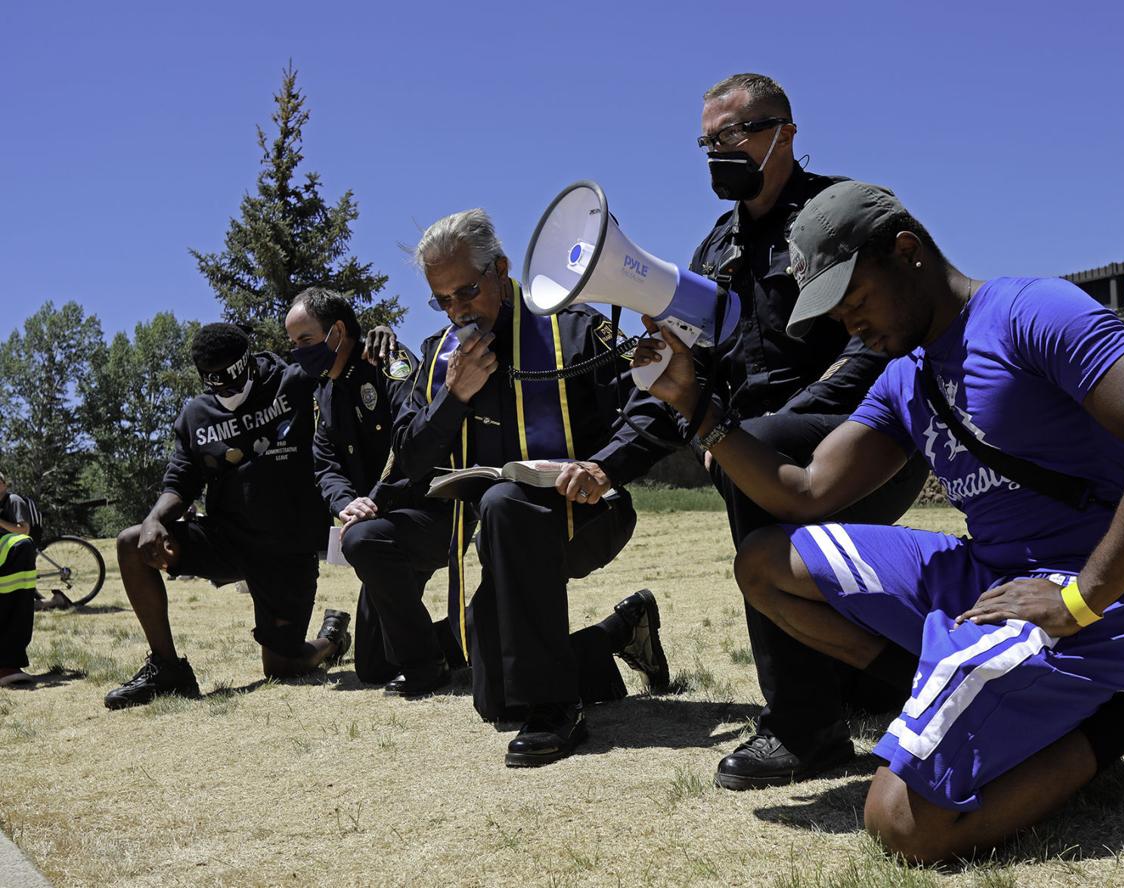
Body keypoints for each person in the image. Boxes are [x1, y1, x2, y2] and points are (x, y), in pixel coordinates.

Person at [635, 180, 1124, 861]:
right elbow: (803, 493)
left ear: (906, 251)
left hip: (1093, 605)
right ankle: (945, 699)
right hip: (985, 579)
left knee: (903, 827)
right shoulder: (906, 376)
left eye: (854, 298)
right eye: (834, 312)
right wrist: (695, 407)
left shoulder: (1029, 312)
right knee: (764, 563)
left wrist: (1082, 596)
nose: (848, 325)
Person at [589, 73, 929, 790]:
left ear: (785, 132)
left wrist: (767, 431)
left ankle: (804, 728)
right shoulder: (716, 249)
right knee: (755, 451)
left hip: (868, 441)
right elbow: (687, 380)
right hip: (768, 446)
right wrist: (606, 466)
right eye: (707, 141)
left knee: (758, 448)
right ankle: (871, 675)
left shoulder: (840, 214)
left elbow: (876, 341)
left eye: (732, 136)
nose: (718, 152)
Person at [340, 208, 668, 767]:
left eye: (466, 291)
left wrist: (603, 467)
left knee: (505, 505)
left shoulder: (575, 328)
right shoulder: (438, 356)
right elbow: (411, 459)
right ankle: (620, 631)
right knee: (495, 698)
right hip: (492, 534)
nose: (457, 310)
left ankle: (556, 709)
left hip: (586, 512)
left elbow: (653, 406)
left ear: (501, 269)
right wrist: (454, 398)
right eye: (441, 300)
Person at [103, 323, 355, 709]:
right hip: (227, 538)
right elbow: (180, 480)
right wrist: (155, 519)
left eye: (234, 378)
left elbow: (344, 358)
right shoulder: (195, 415)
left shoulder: (293, 382)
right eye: (216, 383)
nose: (229, 391)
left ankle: (332, 639)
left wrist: (378, 335)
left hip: (286, 548)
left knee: (284, 667)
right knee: (129, 541)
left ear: (249, 362)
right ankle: (168, 668)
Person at [284, 286, 461, 684]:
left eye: (306, 340)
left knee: (360, 540)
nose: (298, 350)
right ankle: (475, 630)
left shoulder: (387, 362)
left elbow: (411, 440)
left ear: (338, 331)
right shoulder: (324, 394)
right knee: (374, 666)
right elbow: (325, 464)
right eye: (293, 342)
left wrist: (373, 501)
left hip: (428, 515)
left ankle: (425, 667)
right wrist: (346, 503)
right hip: (378, 528)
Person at [0, 471, 38, 687]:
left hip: (13, 555)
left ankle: (8, 662)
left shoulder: (12, 501)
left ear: (5, 484)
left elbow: (23, 530)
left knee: (13, 600)